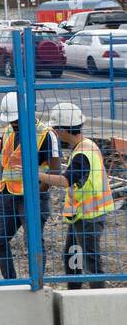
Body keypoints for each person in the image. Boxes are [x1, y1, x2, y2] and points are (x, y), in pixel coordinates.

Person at [39, 102, 115, 289]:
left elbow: (66, 180)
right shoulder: (85, 146)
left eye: (57, 130)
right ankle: (74, 293)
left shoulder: (83, 153)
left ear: (64, 130)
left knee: (91, 263)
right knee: (72, 257)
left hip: (89, 217)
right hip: (81, 215)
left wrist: (35, 175)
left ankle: (98, 299)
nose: (55, 134)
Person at [0, 92, 59, 280]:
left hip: (32, 199)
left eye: (15, 120)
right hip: (6, 196)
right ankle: (11, 283)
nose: (13, 124)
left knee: (33, 244)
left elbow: (54, 171)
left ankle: (36, 283)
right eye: (11, 120)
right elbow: (4, 161)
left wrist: (38, 191)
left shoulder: (46, 135)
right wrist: (0, 183)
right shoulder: (8, 132)